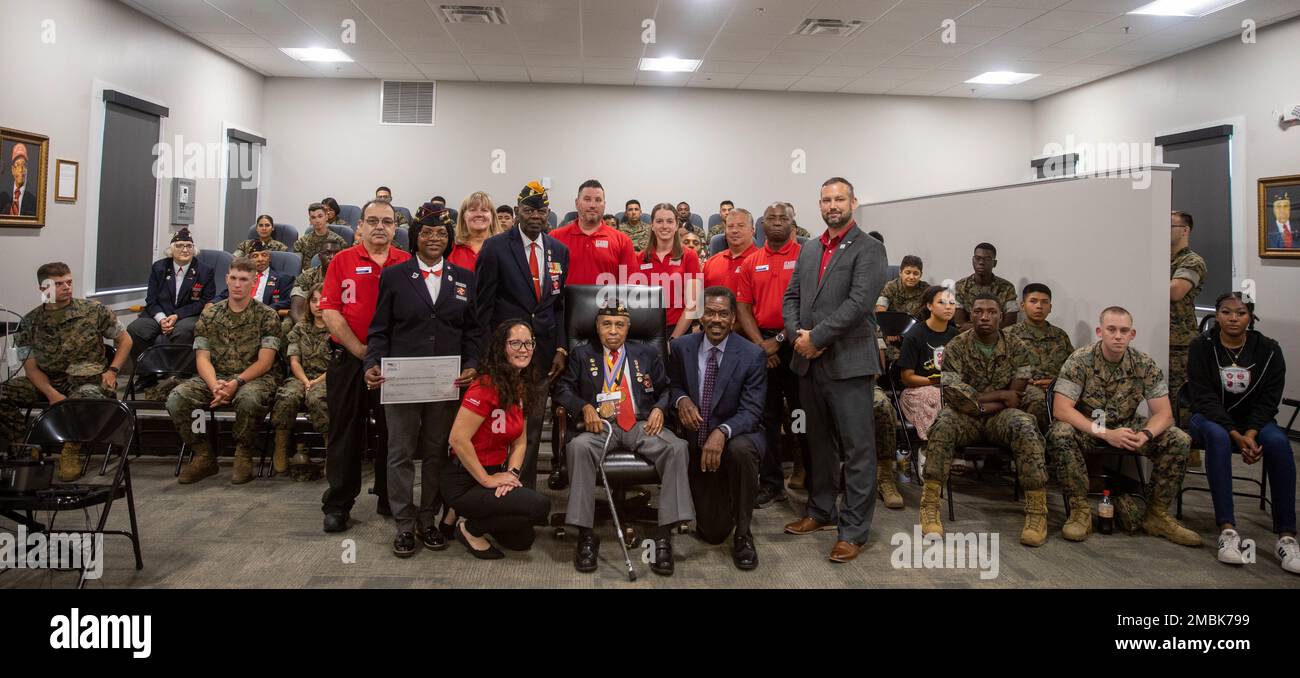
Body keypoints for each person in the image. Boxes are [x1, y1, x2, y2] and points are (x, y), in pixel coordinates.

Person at [780, 177, 887, 563]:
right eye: (826, 200)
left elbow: (859, 303)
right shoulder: (809, 249)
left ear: (853, 202)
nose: (832, 205)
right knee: (818, 445)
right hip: (808, 362)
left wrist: (817, 337)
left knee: (857, 450)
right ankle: (821, 511)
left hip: (848, 364)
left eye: (839, 198)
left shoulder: (870, 249)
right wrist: (797, 337)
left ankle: (853, 530)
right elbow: (791, 296)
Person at [364, 210, 483, 558]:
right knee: (400, 453)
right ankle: (404, 523)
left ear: (449, 239)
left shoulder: (463, 278)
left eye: (441, 233)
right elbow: (379, 329)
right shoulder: (396, 276)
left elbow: (473, 331)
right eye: (427, 232)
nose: (434, 238)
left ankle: (427, 519)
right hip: (401, 382)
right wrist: (371, 363)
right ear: (415, 236)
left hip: (446, 382)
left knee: (435, 453)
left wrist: (473, 364)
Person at [555, 302, 694, 576]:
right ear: (597, 327)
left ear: (629, 328)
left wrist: (659, 408)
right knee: (578, 448)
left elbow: (667, 388)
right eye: (607, 324)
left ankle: (664, 536)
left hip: (639, 423)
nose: (613, 331)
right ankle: (585, 535)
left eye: (619, 325)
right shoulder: (582, 354)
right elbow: (562, 388)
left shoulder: (647, 353)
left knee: (677, 448)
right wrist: (583, 406)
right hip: (599, 426)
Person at [1048, 306, 1199, 546]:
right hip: (1092, 423)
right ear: (1100, 331)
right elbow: (1062, 409)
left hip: (1127, 424)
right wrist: (1106, 434)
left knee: (1179, 439)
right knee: (1061, 432)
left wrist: (1147, 435)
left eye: (1124, 330)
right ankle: (1080, 510)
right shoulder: (1080, 360)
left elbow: (1164, 414)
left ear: (1132, 334)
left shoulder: (1144, 364)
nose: (1118, 335)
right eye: (1111, 329)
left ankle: (1156, 514)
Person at [918, 295, 1049, 546]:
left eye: (991, 312)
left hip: (1000, 418)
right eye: (978, 312)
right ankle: (930, 505)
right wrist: (1001, 395)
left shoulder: (1017, 346)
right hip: (965, 416)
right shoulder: (956, 346)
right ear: (970, 315)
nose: (985, 316)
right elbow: (956, 395)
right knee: (943, 423)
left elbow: (1018, 394)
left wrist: (987, 400)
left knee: (1025, 425)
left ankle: (1036, 512)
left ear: (1001, 316)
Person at [318, 200, 412, 532]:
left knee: (394, 435)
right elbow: (330, 311)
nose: (380, 227)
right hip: (349, 360)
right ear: (360, 225)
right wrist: (361, 352)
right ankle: (339, 503)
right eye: (372, 220)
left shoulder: (407, 263)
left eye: (387, 222)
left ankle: (391, 497)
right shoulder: (342, 261)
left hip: (393, 366)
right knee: (345, 432)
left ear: (395, 227)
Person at [1186, 292, 1295, 573]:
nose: (1233, 318)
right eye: (1226, 312)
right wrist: (1237, 435)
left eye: (1241, 312)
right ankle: (1228, 530)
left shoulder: (1268, 349)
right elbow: (1202, 396)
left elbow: (1269, 400)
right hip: (1209, 418)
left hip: (1254, 422)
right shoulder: (1202, 346)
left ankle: (1286, 535)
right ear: (1217, 315)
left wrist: (1251, 431)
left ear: (1251, 317)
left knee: (1279, 443)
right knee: (1219, 438)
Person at [475, 181, 570, 488]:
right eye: (528, 210)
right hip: (503, 356)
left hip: (541, 355)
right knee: (499, 428)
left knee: (528, 430)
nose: (535, 216)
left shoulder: (559, 251)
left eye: (541, 211)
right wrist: (488, 354)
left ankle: (522, 493)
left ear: (548, 214)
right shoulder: (496, 247)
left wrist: (561, 348)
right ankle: (491, 491)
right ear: (517, 212)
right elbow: (482, 305)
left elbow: (558, 306)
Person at [0, 262, 130, 481]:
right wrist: (51, 393)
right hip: (47, 380)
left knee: (89, 396)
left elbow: (125, 340)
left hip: (86, 380)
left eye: (69, 282)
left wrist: (113, 370)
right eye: (59, 284)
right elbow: (30, 367)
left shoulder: (92, 311)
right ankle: (25, 445)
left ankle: (70, 449)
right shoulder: (30, 322)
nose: (67, 287)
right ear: (43, 288)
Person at [668, 287, 767, 570]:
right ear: (700, 315)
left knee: (741, 451)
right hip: (696, 442)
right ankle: (726, 499)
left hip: (736, 437)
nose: (716, 319)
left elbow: (752, 411)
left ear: (734, 318)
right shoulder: (681, 347)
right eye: (709, 312)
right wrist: (682, 399)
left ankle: (744, 534)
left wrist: (722, 431)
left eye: (723, 314)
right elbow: (672, 385)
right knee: (711, 532)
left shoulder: (751, 355)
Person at [442, 321, 551, 559]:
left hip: (497, 473)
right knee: (540, 506)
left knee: (523, 541)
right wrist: (488, 479)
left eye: (529, 343)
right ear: (501, 347)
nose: (524, 349)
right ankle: (469, 528)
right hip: (464, 481)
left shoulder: (519, 386)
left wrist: (510, 475)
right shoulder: (484, 385)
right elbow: (458, 439)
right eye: (515, 343)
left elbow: (520, 442)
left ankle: (468, 516)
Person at [167, 257, 281, 485]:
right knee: (178, 398)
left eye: (244, 279)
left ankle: (243, 453)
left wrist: (236, 383)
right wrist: (215, 386)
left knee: (249, 399)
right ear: (227, 280)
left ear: (253, 282)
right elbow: (202, 358)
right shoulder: (209, 315)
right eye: (234, 278)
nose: (237, 284)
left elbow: (265, 362)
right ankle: (203, 455)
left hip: (253, 377)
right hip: (215, 378)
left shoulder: (267, 316)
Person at [736, 201, 805, 505]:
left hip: (799, 344)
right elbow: (743, 307)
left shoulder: (806, 257)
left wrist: (780, 339)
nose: (777, 222)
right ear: (762, 225)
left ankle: (809, 473)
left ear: (793, 223)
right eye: (771, 219)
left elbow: (808, 306)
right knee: (767, 416)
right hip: (761, 346)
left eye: (783, 218)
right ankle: (772, 482)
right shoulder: (751, 261)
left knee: (802, 414)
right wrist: (762, 346)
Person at [270, 285, 331, 474]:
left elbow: (338, 364)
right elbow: (294, 360)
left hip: (328, 378)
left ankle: (332, 449)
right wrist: (305, 381)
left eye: (323, 300)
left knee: (316, 399)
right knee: (286, 396)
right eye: (314, 301)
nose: (318, 305)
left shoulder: (337, 328)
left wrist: (316, 382)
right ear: (308, 304)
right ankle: (281, 444)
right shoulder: (300, 328)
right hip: (301, 376)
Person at [128, 228, 215, 360]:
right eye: (180, 246)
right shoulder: (159, 268)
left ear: (194, 249)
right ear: (171, 249)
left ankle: (174, 374)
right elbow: (151, 299)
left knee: (182, 331)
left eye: (189, 246)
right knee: (136, 329)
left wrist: (177, 315)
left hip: (187, 315)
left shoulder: (205, 271)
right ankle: (147, 372)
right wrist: (162, 319)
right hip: (160, 314)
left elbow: (204, 301)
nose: (185, 250)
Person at [1007, 283, 1074, 432]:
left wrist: (1055, 383)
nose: (1039, 306)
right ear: (1022, 306)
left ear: (1050, 307)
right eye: (1033, 301)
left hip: (1056, 389)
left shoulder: (1060, 336)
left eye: (1044, 302)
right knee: (1039, 402)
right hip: (1024, 390)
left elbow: (1073, 371)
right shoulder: (1009, 335)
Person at [896, 285, 959, 441]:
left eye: (952, 303)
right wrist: (934, 381)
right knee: (936, 397)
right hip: (917, 390)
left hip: (947, 389)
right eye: (942, 302)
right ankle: (931, 447)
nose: (948, 307)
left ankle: (954, 449)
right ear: (929, 306)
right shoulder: (914, 334)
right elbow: (907, 378)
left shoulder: (955, 335)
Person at [549, 179, 638, 286]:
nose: (592, 205)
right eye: (587, 199)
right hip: (566, 302)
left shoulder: (622, 241)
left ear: (604, 204)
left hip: (608, 302)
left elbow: (630, 287)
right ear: (577, 203)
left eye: (598, 200)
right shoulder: (555, 238)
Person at [639, 202, 702, 339]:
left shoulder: (690, 256)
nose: (664, 226)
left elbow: (694, 303)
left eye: (669, 221)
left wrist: (674, 339)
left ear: (676, 225)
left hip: (679, 330)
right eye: (659, 221)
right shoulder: (640, 258)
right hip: (647, 332)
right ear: (652, 225)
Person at [1169, 210, 1206, 422]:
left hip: (1179, 344)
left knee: (1179, 402)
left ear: (1185, 230)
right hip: (1154, 333)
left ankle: (1187, 453)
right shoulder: (1157, 258)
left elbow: (1176, 291)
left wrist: (1142, 283)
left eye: (1170, 226)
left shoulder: (1193, 261)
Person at [874, 254, 927, 362]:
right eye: (908, 272)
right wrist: (889, 331)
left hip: (916, 332)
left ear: (921, 275)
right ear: (900, 272)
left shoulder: (926, 289)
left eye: (916, 273)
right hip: (892, 331)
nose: (911, 277)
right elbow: (880, 310)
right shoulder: (891, 287)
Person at [216, 240, 294, 312]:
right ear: (249, 260)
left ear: (269, 258)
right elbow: (225, 295)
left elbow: (288, 301)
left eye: (264, 255)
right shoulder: (243, 277)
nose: (260, 259)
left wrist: (268, 309)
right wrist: (211, 303)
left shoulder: (284, 278)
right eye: (255, 256)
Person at [953, 242, 1017, 330]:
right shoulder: (960, 286)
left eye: (987, 259)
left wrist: (984, 329)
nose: (981, 262)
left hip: (998, 338)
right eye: (977, 258)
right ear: (973, 260)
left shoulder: (1007, 287)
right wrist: (987, 327)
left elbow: (1010, 323)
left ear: (994, 263)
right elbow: (959, 323)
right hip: (968, 338)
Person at [702, 208, 759, 292]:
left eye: (741, 226)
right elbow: (699, 299)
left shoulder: (762, 262)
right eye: (730, 226)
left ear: (752, 231)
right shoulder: (711, 262)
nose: (734, 230)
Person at [290, 240, 342, 325]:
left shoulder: (349, 276)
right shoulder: (307, 276)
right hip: (311, 321)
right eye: (327, 253)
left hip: (339, 321)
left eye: (336, 253)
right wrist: (306, 331)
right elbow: (297, 310)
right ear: (320, 256)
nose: (332, 257)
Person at [447, 191, 500, 272]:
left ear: (492, 216)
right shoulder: (450, 247)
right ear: (463, 216)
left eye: (484, 210)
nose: (479, 214)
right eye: (472, 210)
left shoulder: (504, 247)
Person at [294, 202, 348, 267]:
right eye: (313, 217)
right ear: (310, 220)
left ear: (326, 217)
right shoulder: (301, 243)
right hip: (308, 275)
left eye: (320, 216)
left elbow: (345, 265)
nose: (317, 220)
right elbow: (296, 267)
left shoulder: (338, 241)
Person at [1, 143, 37, 216]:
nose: (21, 169)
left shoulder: (33, 200)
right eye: (17, 165)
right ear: (12, 170)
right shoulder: (4, 196)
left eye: (24, 165)